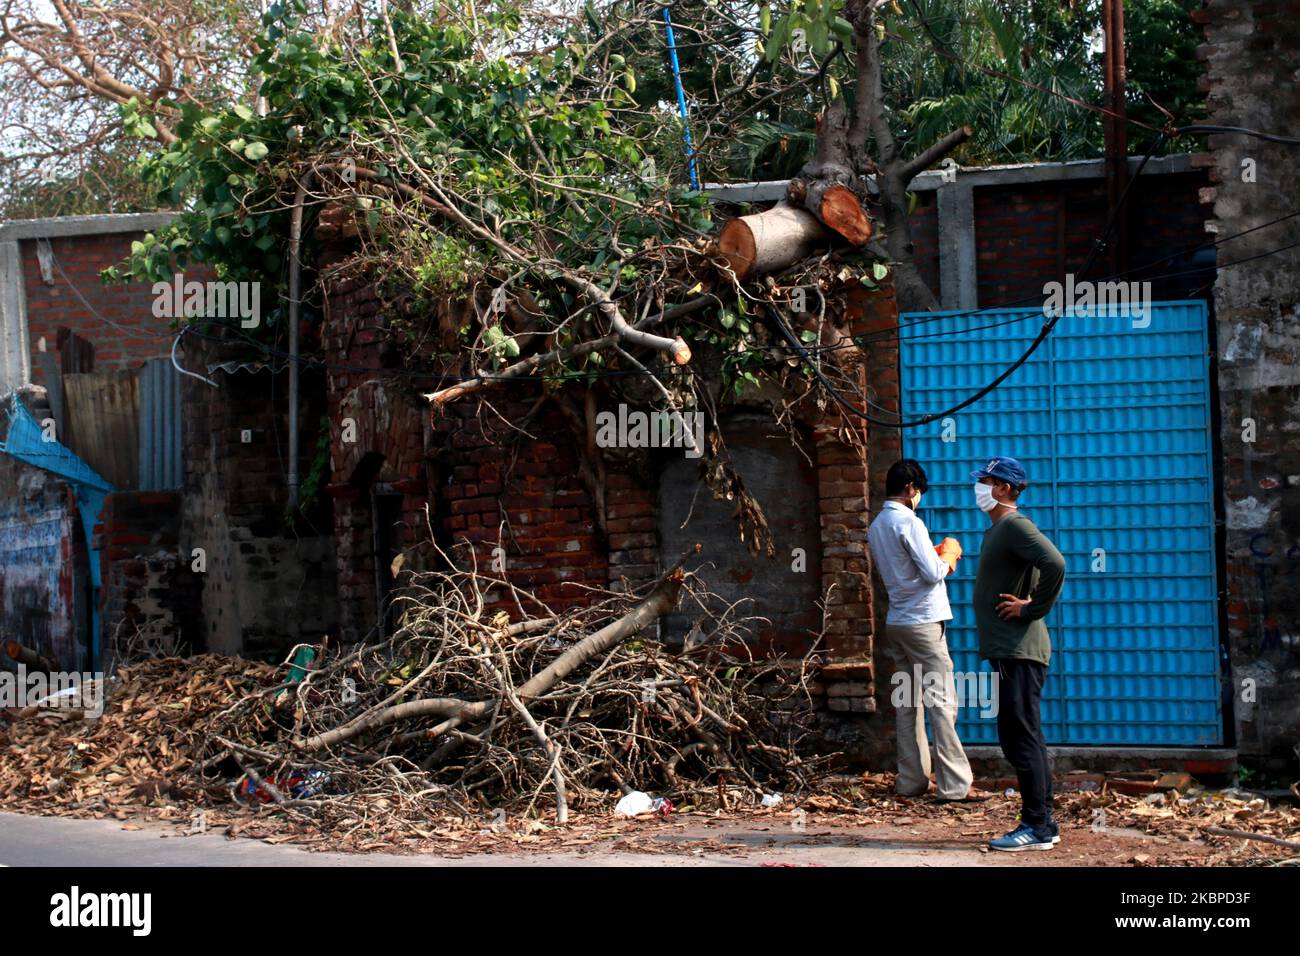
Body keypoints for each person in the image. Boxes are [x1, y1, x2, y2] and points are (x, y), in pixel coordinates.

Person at [868, 459, 983, 802]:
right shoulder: (910, 522)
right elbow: (933, 573)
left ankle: (911, 781)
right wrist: (949, 553)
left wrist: (932, 557)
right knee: (942, 703)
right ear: (910, 490)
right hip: (923, 624)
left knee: (907, 703)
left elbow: (904, 568)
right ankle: (954, 786)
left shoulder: (877, 525)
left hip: (898, 623)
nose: (918, 498)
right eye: (918, 492)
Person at [970, 457, 1067, 851]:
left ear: (1006, 489)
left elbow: (1055, 563)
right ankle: (1042, 823)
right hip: (1007, 650)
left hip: (1020, 649)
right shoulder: (997, 531)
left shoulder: (1015, 525)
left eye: (987, 481)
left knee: (1023, 736)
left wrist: (1030, 608)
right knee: (1016, 736)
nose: (979, 487)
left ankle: (1038, 826)